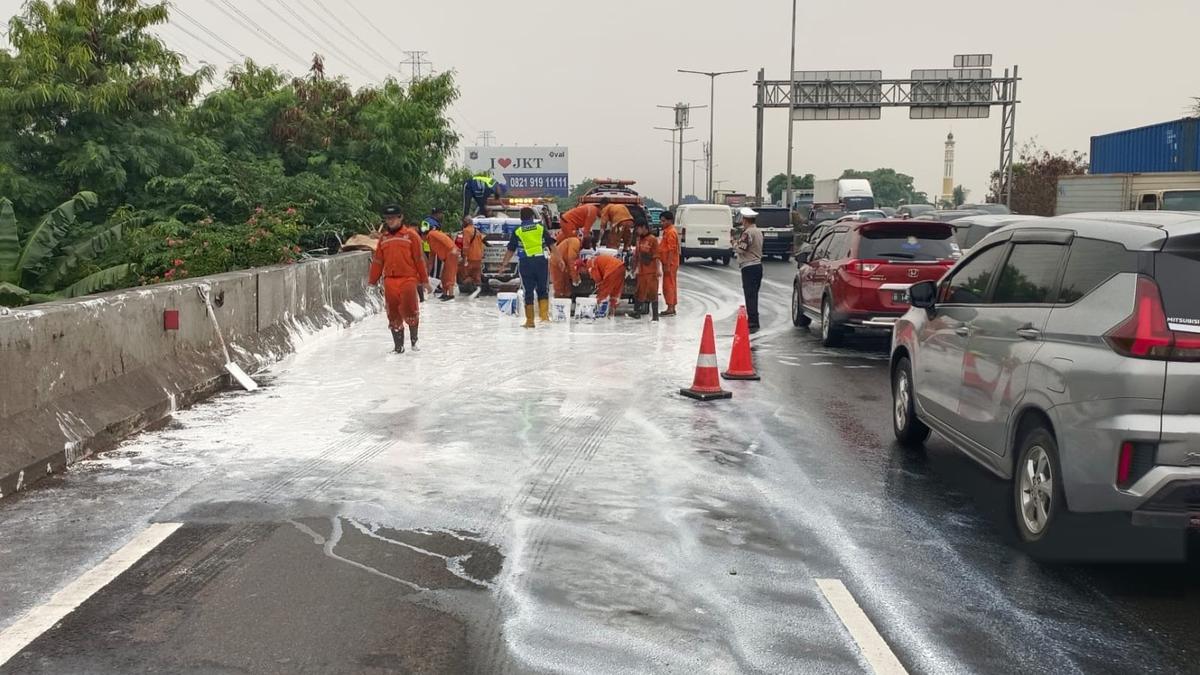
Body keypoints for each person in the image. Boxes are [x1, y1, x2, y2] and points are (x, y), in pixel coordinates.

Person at [368, 205, 431, 353]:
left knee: (410, 309)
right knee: (393, 312)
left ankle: (414, 342)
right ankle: (398, 347)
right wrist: (372, 281)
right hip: (390, 280)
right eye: (388, 219)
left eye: (393, 218)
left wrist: (425, 280)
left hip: (408, 279)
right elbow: (378, 261)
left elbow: (419, 260)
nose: (390, 221)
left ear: (400, 217)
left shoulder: (411, 235)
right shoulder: (383, 238)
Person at [499, 207, 557, 328]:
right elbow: (551, 245)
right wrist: (560, 260)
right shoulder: (540, 228)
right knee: (543, 289)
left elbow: (510, 250)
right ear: (532, 217)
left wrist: (504, 265)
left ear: (521, 218)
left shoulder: (518, 231)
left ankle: (530, 321)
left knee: (528, 291)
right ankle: (544, 318)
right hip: (541, 261)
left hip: (526, 263)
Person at [734, 207, 764, 333]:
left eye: (743, 220)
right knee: (754, 294)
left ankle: (752, 321)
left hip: (749, 267)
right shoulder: (758, 231)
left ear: (746, 220)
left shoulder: (748, 233)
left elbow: (741, 248)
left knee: (749, 295)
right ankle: (754, 319)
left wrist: (734, 243)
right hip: (758, 265)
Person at [630, 221, 660, 320]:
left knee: (652, 293)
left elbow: (656, 256)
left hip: (651, 271)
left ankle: (655, 316)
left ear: (643, 227)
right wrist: (634, 269)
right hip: (642, 271)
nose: (637, 231)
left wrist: (658, 269)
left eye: (638, 229)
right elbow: (636, 256)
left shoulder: (653, 240)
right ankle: (637, 313)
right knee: (639, 292)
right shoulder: (639, 239)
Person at [423, 226, 459, 301]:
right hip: (448, 255)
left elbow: (444, 239)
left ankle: (451, 295)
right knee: (443, 276)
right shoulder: (430, 241)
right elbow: (431, 258)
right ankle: (445, 293)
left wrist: (452, 249)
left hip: (451, 252)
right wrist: (428, 272)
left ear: (423, 234)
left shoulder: (432, 234)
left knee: (449, 274)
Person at [588, 251, 626, 318]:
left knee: (603, 292)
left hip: (612, 269)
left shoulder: (590, 263)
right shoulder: (598, 259)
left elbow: (597, 277)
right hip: (622, 267)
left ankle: (598, 312)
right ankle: (612, 313)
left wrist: (600, 285)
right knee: (616, 291)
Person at [658, 210, 680, 316]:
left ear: (670, 221)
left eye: (663, 221)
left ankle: (670, 307)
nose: (661, 223)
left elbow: (671, 249)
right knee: (671, 284)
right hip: (668, 262)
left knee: (668, 285)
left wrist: (667, 264)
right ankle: (671, 306)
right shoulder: (668, 231)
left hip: (669, 264)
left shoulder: (671, 232)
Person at [550, 230, 583, 299]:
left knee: (567, 287)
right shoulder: (576, 242)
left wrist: (575, 276)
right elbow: (571, 260)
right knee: (560, 287)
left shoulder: (575, 242)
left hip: (563, 263)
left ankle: (566, 304)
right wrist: (574, 278)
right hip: (557, 262)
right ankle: (559, 305)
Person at [460, 216, 485, 290]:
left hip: (470, 257)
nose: (462, 223)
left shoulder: (466, 230)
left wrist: (464, 258)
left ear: (467, 222)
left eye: (464, 222)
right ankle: (477, 291)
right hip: (478, 257)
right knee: (477, 276)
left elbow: (465, 245)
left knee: (466, 275)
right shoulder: (477, 231)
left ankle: (470, 290)